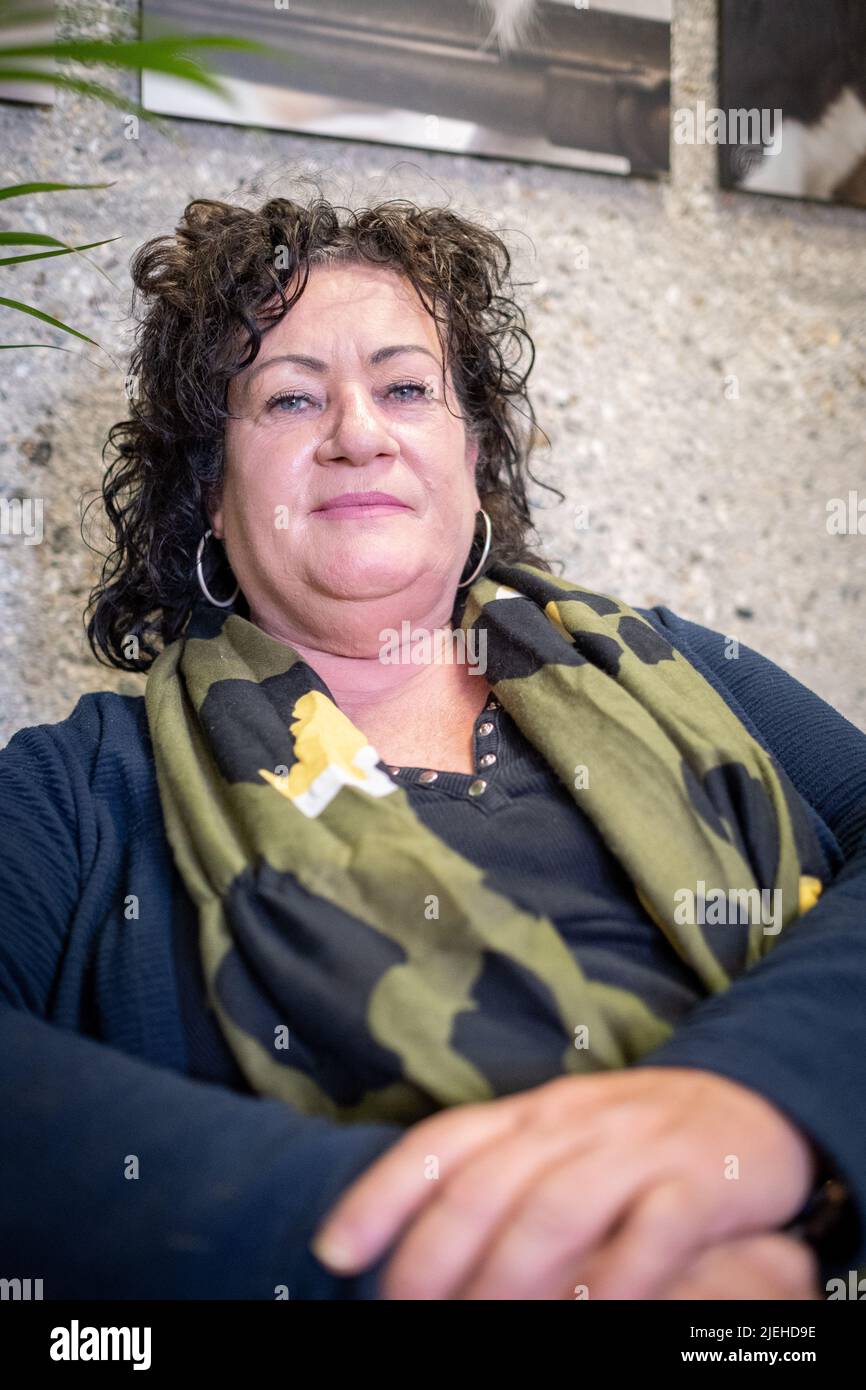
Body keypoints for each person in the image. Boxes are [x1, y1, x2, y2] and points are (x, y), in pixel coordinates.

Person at [1, 193, 863, 1301]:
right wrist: (446, 1243)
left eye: (406, 387)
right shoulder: (83, 786)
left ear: (471, 460)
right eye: (289, 395)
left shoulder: (673, 670)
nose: (358, 431)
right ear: (211, 493)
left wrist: (754, 1098)